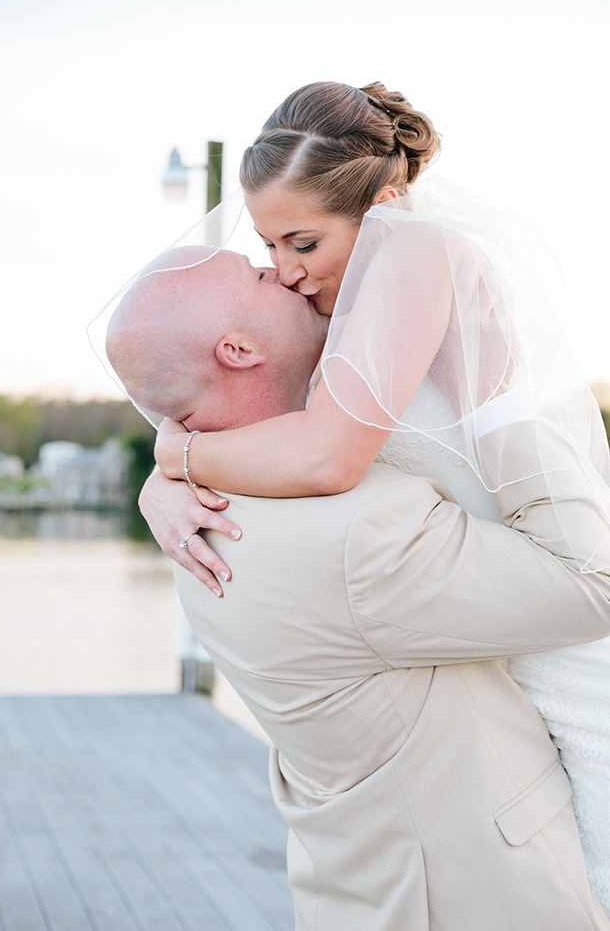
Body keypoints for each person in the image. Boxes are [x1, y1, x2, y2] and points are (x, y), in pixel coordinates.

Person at [128, 82, 610, 905]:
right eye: (269, 246)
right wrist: (160, 473)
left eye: (301, 242)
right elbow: (249, 400)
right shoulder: (347, 317)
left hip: (542, 586)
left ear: (382, 206)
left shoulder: (416, 252)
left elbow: (324, 457)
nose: (284, 273)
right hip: (487, 600)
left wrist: (181, 452)